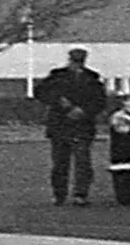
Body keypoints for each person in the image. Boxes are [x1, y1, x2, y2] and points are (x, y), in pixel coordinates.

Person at [33, 47, 108, 206]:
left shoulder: (92, 79)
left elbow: (100, 101)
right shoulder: (56, 77)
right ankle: (59, 194)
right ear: (70, 60)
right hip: (60, 124)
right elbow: (40, 92)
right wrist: (59, 101)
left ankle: (80, 194)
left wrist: (84, 111)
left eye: (79, 61)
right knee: (60, 163)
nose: (77, 64)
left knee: (83, 162)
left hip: (82, 125)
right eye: (75, 61)